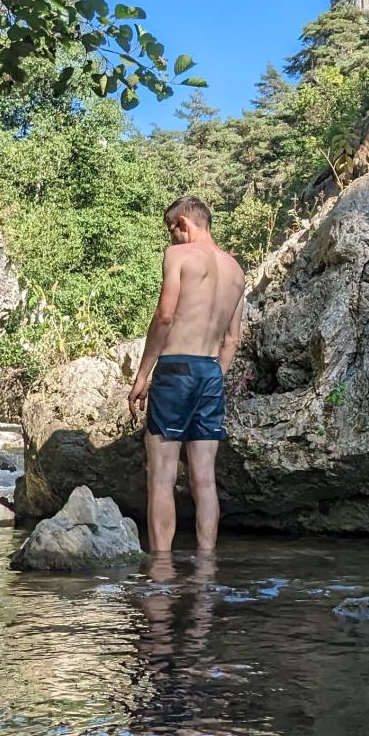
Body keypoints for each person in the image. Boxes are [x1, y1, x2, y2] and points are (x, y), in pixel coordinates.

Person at [128, 196, 245, 554]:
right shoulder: (236, 270)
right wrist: (212, 376)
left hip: (176, 368)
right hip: (210, 372)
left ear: (183, 223)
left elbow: (165, 316)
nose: (173, 239)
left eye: (172, 232)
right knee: (204, 479)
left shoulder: (178, 255)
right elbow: (233, 339)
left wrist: (143, 374)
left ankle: (161, 570)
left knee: (161, 477)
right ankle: (206, 567)